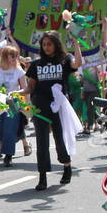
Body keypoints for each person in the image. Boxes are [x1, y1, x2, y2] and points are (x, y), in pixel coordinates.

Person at [26, 27, 83, 191]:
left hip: (58, 107)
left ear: (56, 45)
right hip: (39, 107)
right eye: (44, 44)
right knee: (41, 142)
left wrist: (76, 44)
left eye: (49, 44)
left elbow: (77, 64)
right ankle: (42, 177)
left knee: (59, 139)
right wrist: (16, 93)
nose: (46, 47)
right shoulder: (36, 64)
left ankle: (67, 166)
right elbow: (30, 87)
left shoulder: (65, 60)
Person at [0, 43, 27, 166]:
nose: (15, 58)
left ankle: (8, 156)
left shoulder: (19, 70)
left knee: (10, 129)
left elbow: (25, 88)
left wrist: (26, 107)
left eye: (16, 56)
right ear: (5, 56)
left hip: (13, 101)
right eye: (12, 56)